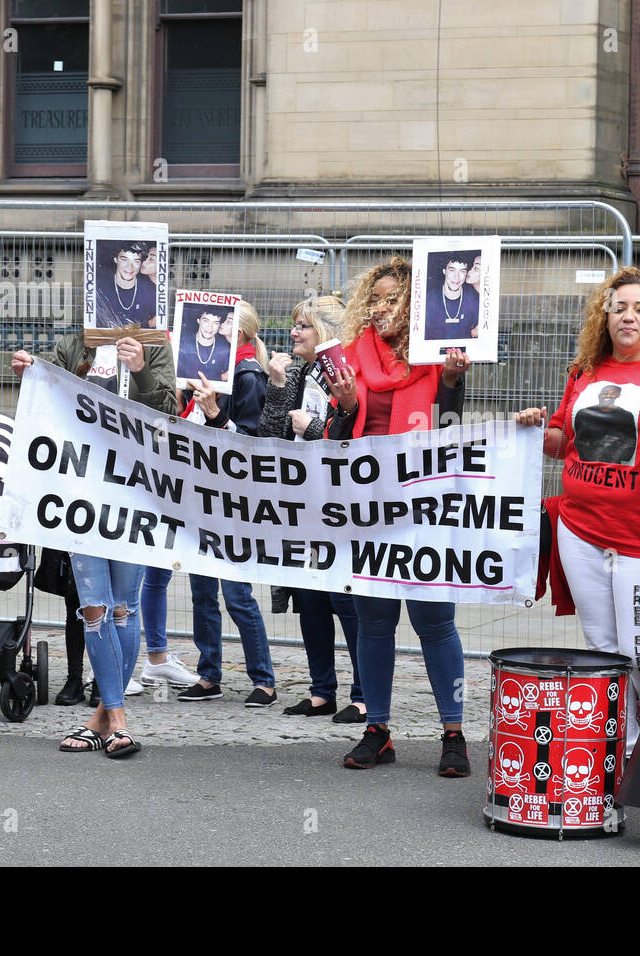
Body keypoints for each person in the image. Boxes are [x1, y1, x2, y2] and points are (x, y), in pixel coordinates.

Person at [514, 266, 640, 758]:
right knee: (603, 649)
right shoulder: (585, 370)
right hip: (581, 529)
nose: (628, 317)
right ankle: (625, 749)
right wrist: (533, 429)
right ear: (603, 316)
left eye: (639, 309)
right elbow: (562, 444)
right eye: (618, 307)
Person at [326, 256, 472, 775]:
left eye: (395, 299)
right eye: (377, 298)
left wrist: (452, 382)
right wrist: (343, 407)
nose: (383, 307)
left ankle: (453, 733)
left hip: (423, 508)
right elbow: (333, 446)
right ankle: (378, 729)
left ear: (415, 307)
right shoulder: (346, 358)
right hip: (368, 510)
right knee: (374, 621)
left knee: (435, 621)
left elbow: (448, 433)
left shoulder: (437, 360)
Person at [11, 332, 175, 756]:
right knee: (93, 609)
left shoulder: (155, 343)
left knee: (124, 607)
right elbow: (47, 410)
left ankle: (102, 715)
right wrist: (31, 378)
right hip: (79, 491)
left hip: (133, 491)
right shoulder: (74, 343)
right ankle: (115, 719)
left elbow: (169, 413)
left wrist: (139, 370)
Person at [161, 301, 278, 707]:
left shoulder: (247, 376)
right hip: (202, 492)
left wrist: (212, 414)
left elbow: (247, 443)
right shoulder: (211, 374)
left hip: (233, 499)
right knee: (201, 592)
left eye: (225, 323)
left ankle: (263, 679)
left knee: (236, 593)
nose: (215, 329)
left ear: (241, 335)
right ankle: (210, 674)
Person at [261, 294, 365, 723]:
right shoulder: (299, 374)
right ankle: (322, 690)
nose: (293, 333)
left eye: (302, 325)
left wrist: (318, 427)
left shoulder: (345, 374)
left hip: (340, 506)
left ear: (324, 330)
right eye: (294, 325)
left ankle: (364, 692)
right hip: (302, 505)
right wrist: (277, 385)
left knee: (347, 603)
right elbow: (269, 434)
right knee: (311, 600)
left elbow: (358, 438)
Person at [94, 241, 158, 329]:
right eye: (124, 259)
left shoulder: (149, 289)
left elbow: (155, 325)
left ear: (141, 264)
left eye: (136, 261)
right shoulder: (99, 288)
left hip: (138, 342)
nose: (130, 266)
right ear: (116, 259)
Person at [423, 252, 480, 340]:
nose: (456, 277)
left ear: (466, 274)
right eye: (452, 270)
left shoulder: (473, 299)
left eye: (462, 271)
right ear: (444, 271)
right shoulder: (429, 298)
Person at [176, 309, 232, 385]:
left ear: (219, 325)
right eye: (206, 321)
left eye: (215, 323)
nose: (210, 326)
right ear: (198, 320)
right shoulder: (183, 344)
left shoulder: (225, 349)